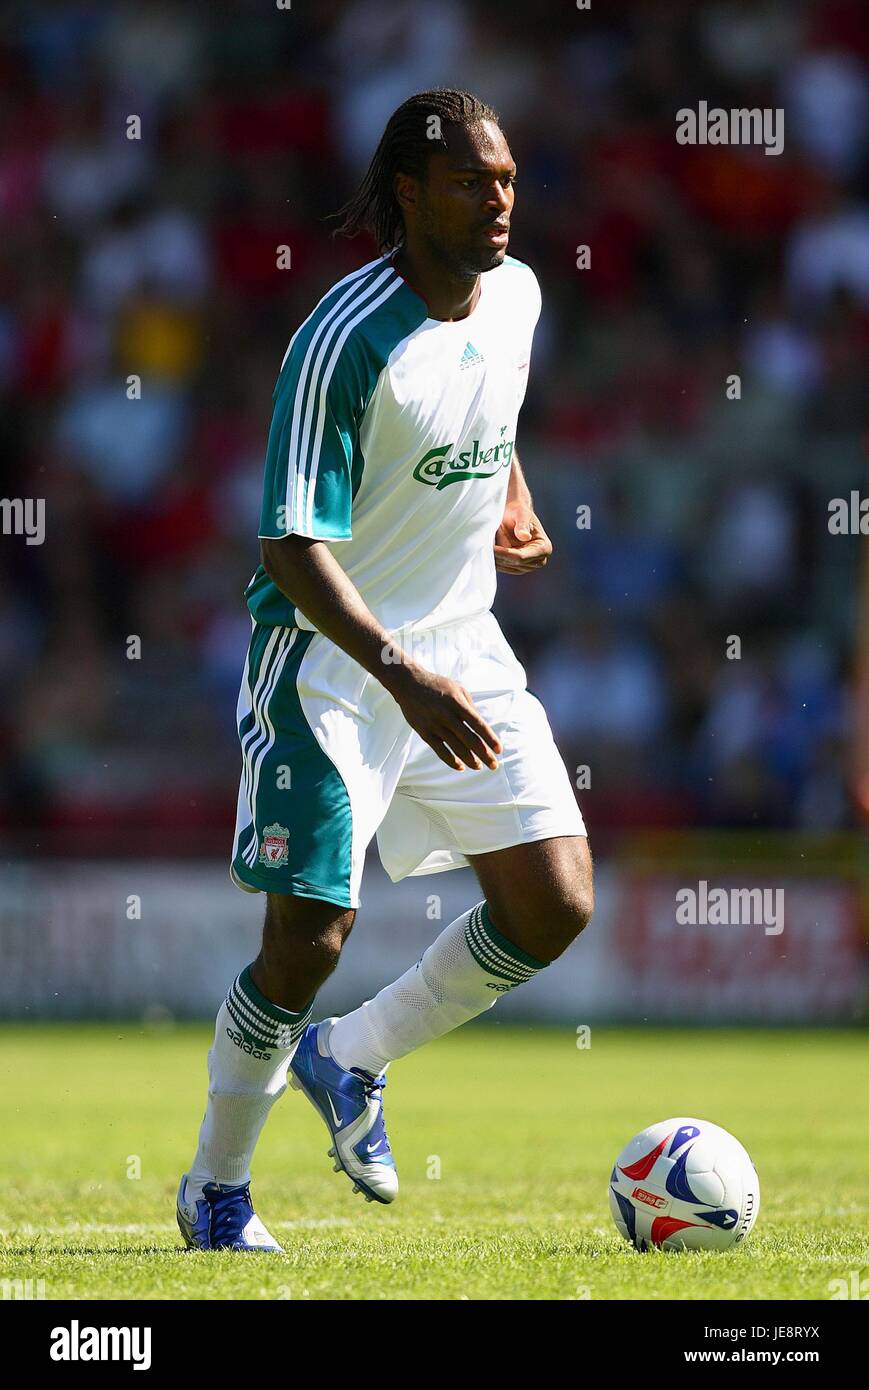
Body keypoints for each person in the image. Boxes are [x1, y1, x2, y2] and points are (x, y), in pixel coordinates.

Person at [177, 88, 593, 1251]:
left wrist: (509, 498)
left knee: (553, 901)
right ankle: (216, 1188)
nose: (499, 199)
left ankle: (350, 1056)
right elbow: (288, 546)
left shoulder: (515, 295)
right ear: (408, 195)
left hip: (462, 645)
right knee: (309, 936)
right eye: (471, 180)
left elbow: (492, 411)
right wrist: (400, 675)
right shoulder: (342, 341)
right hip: (329, 664)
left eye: (506, 178)